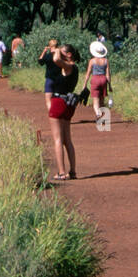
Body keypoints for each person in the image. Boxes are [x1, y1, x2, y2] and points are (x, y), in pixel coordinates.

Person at [41, 43, 80, 181]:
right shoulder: (74, 68)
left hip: (59, 102)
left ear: (69, 55)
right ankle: (73, 171)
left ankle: (62, 172)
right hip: (68, 103)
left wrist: (56, 50)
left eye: (63, 52)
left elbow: (56, 60)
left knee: (58, 139)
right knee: (67, 139)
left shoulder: (68, 66)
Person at [83, 41, 111, 120]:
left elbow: (88, 73)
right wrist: (110, 85)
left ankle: (98, 114)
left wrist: (85, 84)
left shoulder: (92, 61)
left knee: (96, 99)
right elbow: (108, 74)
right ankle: (102, 114)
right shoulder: (106, 61)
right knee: (102, 99)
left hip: (95, 79)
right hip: (103, 79)